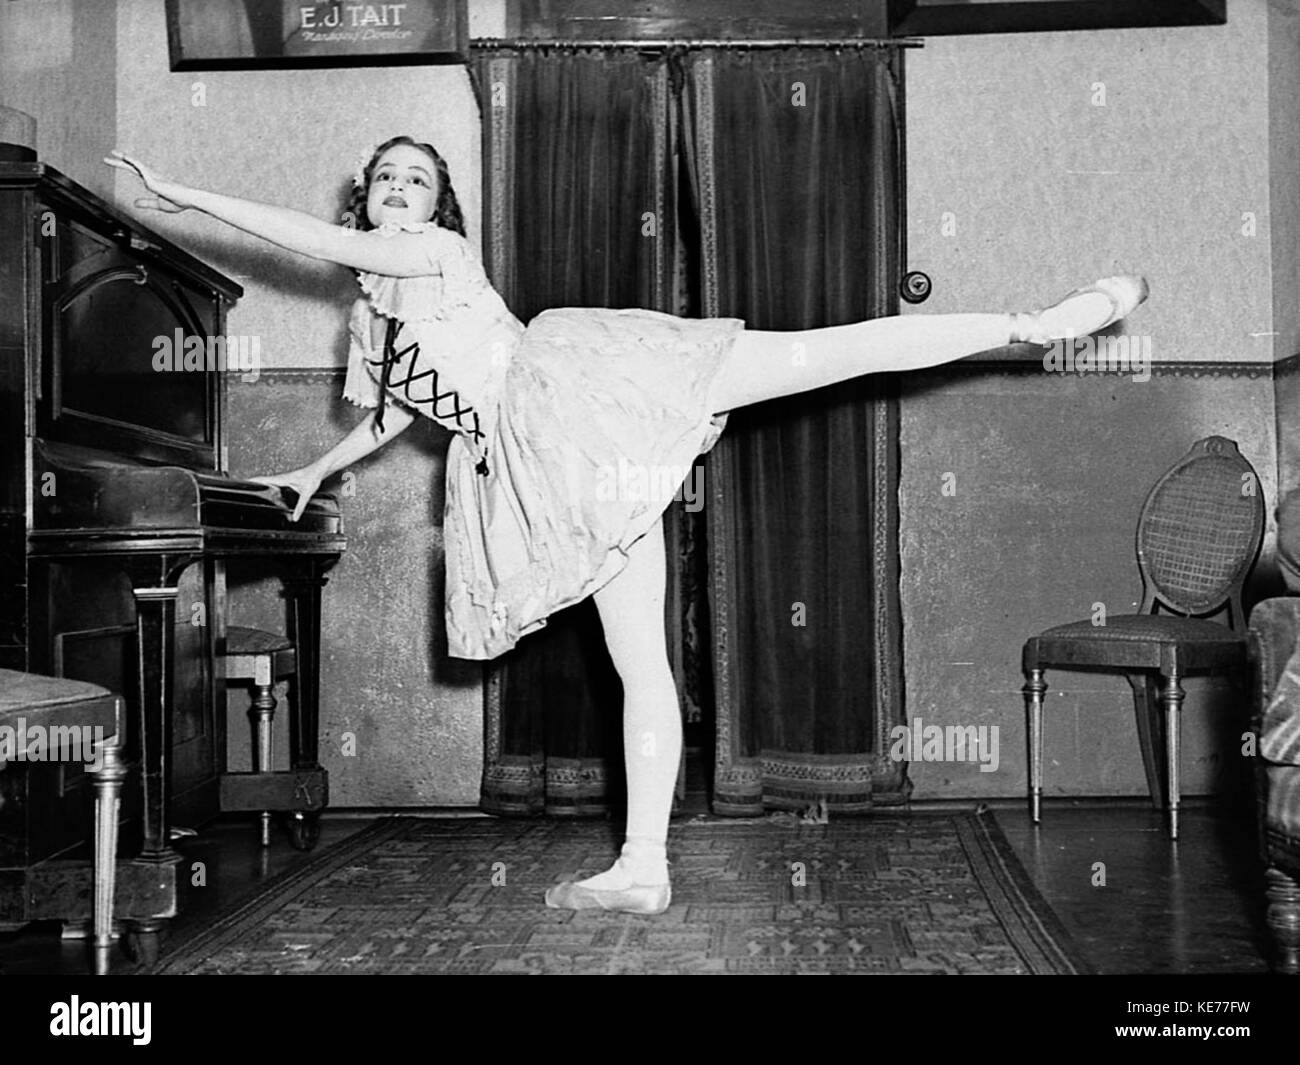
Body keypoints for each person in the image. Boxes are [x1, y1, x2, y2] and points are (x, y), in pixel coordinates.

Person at [105, 137, 1148, 916]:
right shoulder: (369, 314)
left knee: (818, 351)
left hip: (582, 395)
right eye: (386, 177)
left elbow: (317, 241)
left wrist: (183, 194)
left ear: (436, 208)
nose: (398, 192)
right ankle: (642, 865)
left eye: (417, 179)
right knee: (635, 657)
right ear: (364, 190)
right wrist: (305, 469)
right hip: (541, 473)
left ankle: (1032, 324)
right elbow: (386, 412)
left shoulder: (433, 256)